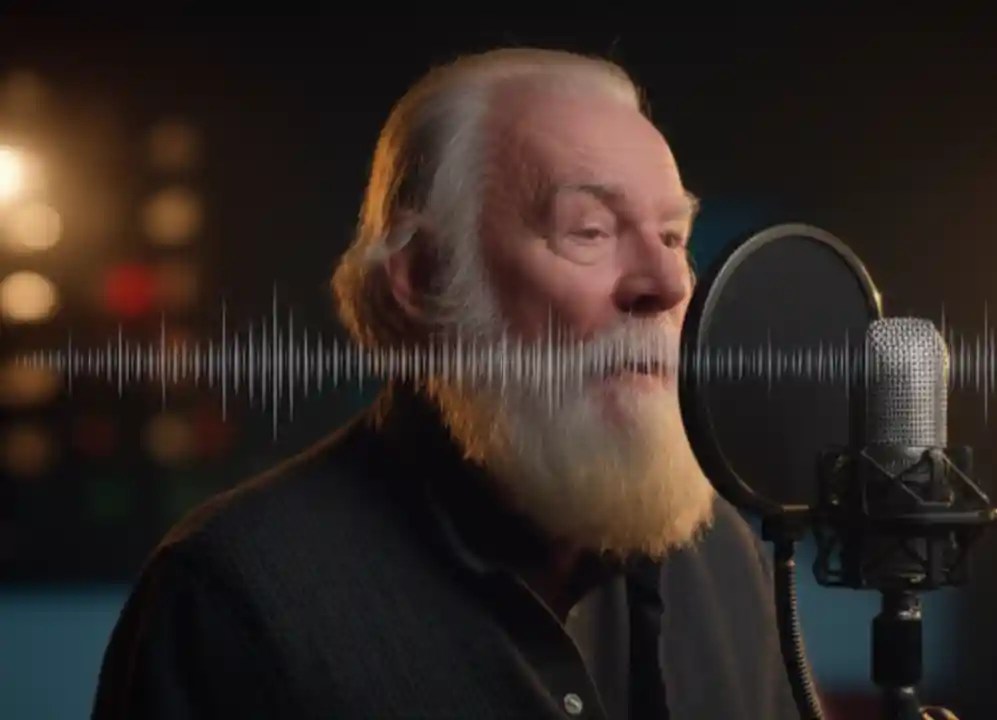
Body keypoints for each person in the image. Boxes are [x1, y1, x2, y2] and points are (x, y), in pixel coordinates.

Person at [91, 47, 804, 720]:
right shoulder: (233, 600)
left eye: (675, 236)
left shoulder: (720, 559)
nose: (669, 283)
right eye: (589, 230)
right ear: (427, 279)